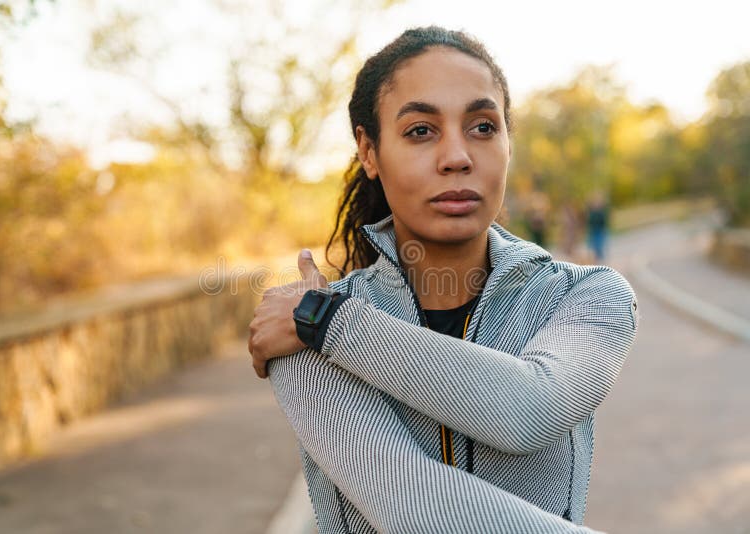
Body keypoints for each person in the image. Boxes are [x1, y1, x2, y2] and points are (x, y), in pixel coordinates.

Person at [247, 26, 638, 533]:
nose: (458, 156)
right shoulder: (304, 337)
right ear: (369, 151)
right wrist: (321, 323)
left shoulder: (589, 297)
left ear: (507, 143)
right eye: (420, 131)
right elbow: (413, 505)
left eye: (482, 127)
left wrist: (329, 323)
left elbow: (533, 409)